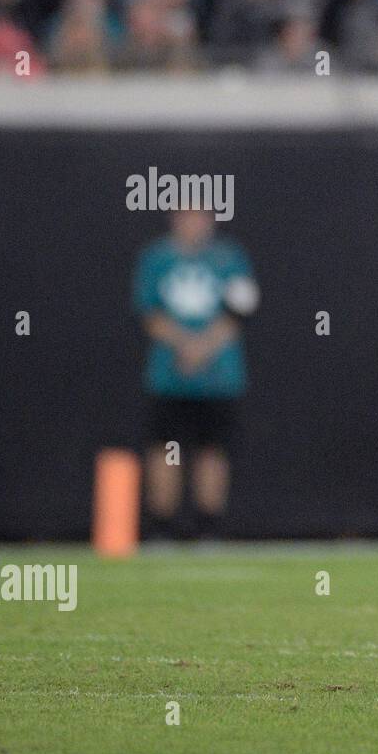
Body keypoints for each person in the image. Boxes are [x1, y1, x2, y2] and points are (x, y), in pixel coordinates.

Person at [133, 205, 257, 539]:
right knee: (166, 450)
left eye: (200, 215)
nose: (194, 223)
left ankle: (208, 528)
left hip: (218, 380)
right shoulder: (156, 258)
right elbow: (148, 311)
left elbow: (241, 310)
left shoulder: (230, 258)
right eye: (186, 215)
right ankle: (162, 527)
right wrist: (183, 344)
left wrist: (204, 347)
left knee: (212, 451)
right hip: (170, 378)